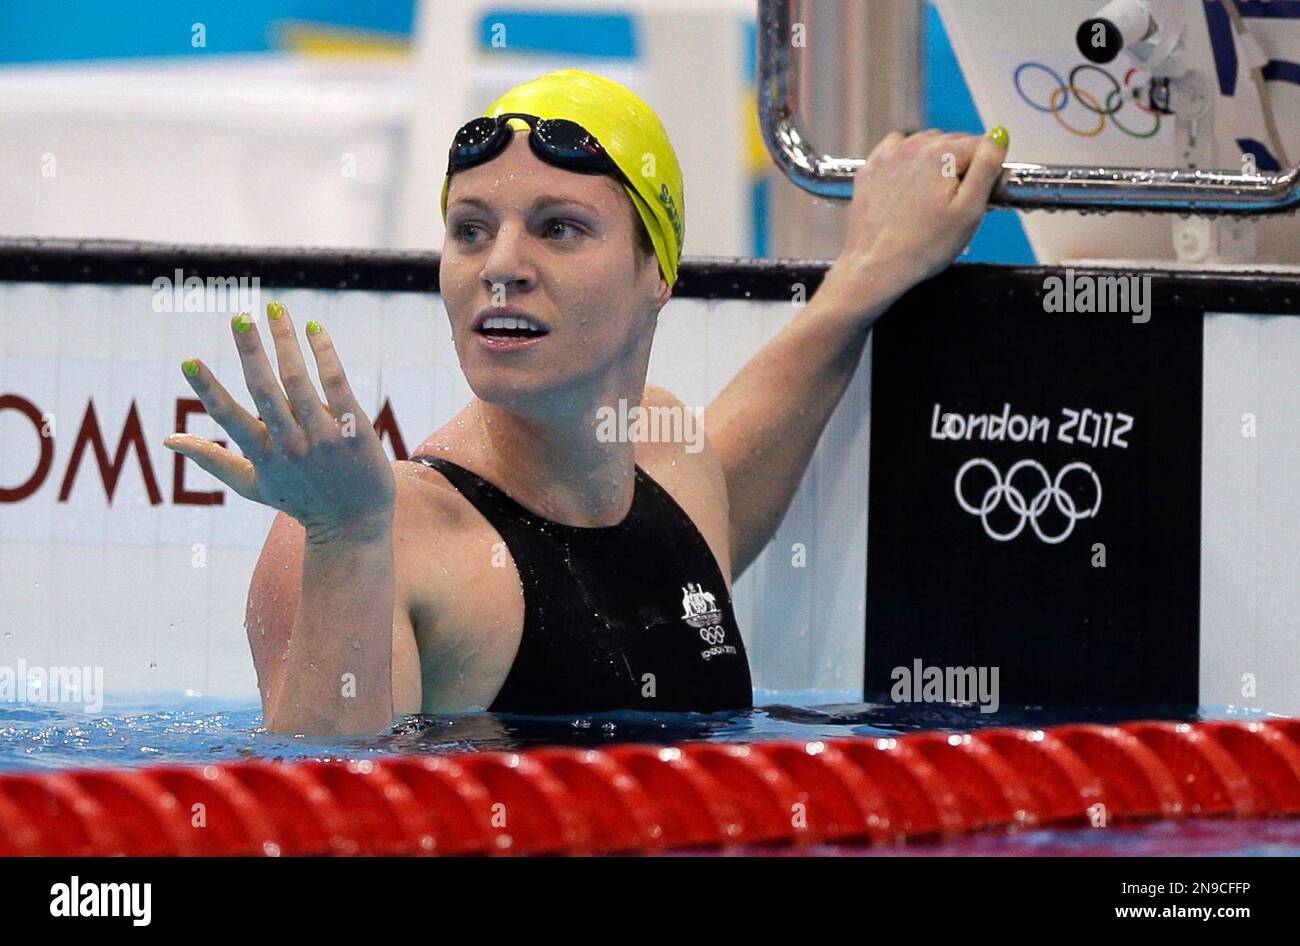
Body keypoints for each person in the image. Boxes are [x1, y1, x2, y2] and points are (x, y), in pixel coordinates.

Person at [162, 69, 1009, 735]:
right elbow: (318, 834)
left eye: (559, 226)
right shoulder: (383, 537)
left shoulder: (672, 465)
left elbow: (737, 461)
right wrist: (344, 540)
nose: (502, 264)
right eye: (470, 229)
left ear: (658, 271)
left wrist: (868, 274)